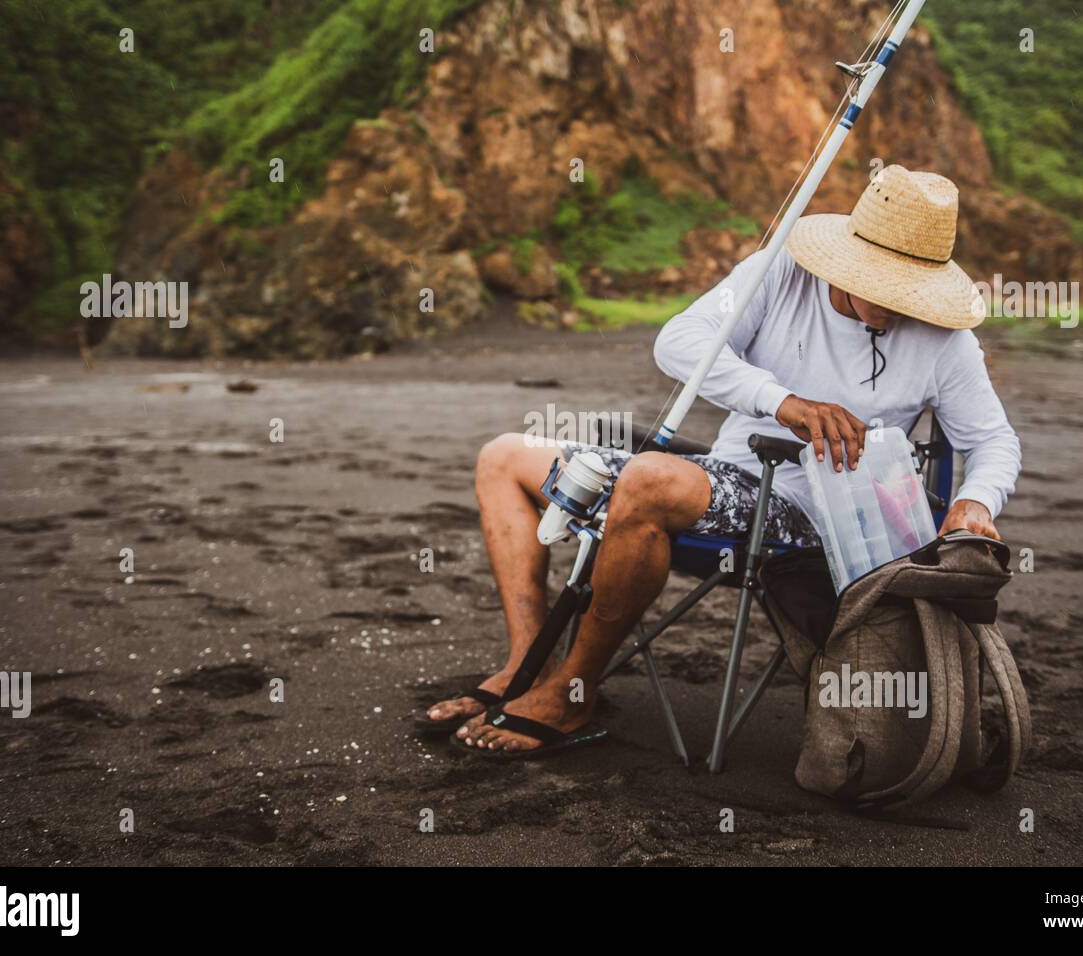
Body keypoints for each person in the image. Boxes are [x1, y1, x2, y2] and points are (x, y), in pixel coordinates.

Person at [425, 165, 1021, 756]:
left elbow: (994, 440)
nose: (897, 306)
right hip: (726, 478)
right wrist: (782, 402)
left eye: (910, 291)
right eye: (885, 286)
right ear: (850, 260)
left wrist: (974, 502)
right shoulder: (783, 274)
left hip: (820, 516)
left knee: (651, 480)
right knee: (503, 457)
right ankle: (525, 667)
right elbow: (678, 341)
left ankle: (572, 691)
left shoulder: (946, 341)